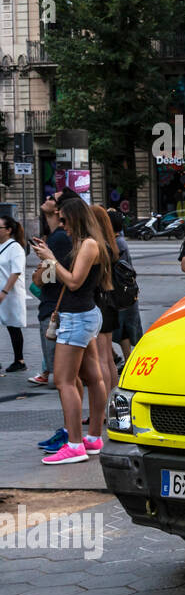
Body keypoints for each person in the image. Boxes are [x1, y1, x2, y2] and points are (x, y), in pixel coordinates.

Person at [30, 197, 110, 465]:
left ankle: (75, 444)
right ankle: (93, 438)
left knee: (64, 381)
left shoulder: (88, 244)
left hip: (77, 316)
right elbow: (50, 279)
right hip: (83, 315)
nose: (61, 224)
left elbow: (74, 282)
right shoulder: (83, 243)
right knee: (91, 376)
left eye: (64, 219)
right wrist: (48, 261)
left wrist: (51, 258)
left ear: (76, 218)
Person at [28, 189, 77, 386]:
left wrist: (39, 270)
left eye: (51, 198)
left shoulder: (58, 238)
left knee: (63, 379)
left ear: (58, 210)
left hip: (54, 307)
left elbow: (45, 279)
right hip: (58, 304)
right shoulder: (57, 236)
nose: (46, 199)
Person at [88, 206, 121, 411]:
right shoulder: (111, 245)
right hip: (109, 302)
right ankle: (114, 405)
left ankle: (103, 409)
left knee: (101, 358)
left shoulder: (98, 247)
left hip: (99, 302)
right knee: (108, 357)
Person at [107, 209, 143, 360]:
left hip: (122, 293)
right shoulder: (117, 241)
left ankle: (130, 361)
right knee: (123, 330)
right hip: (122, 292)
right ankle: (124, 359)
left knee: (125, 330)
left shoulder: (118, 244)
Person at [0, 215, 28, 373]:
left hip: (11, 294)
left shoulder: (15, 248)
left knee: (13, 326)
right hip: (2, 292)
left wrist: (4, 291)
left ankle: (19, 360)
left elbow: (16, 271)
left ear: (8, 230)